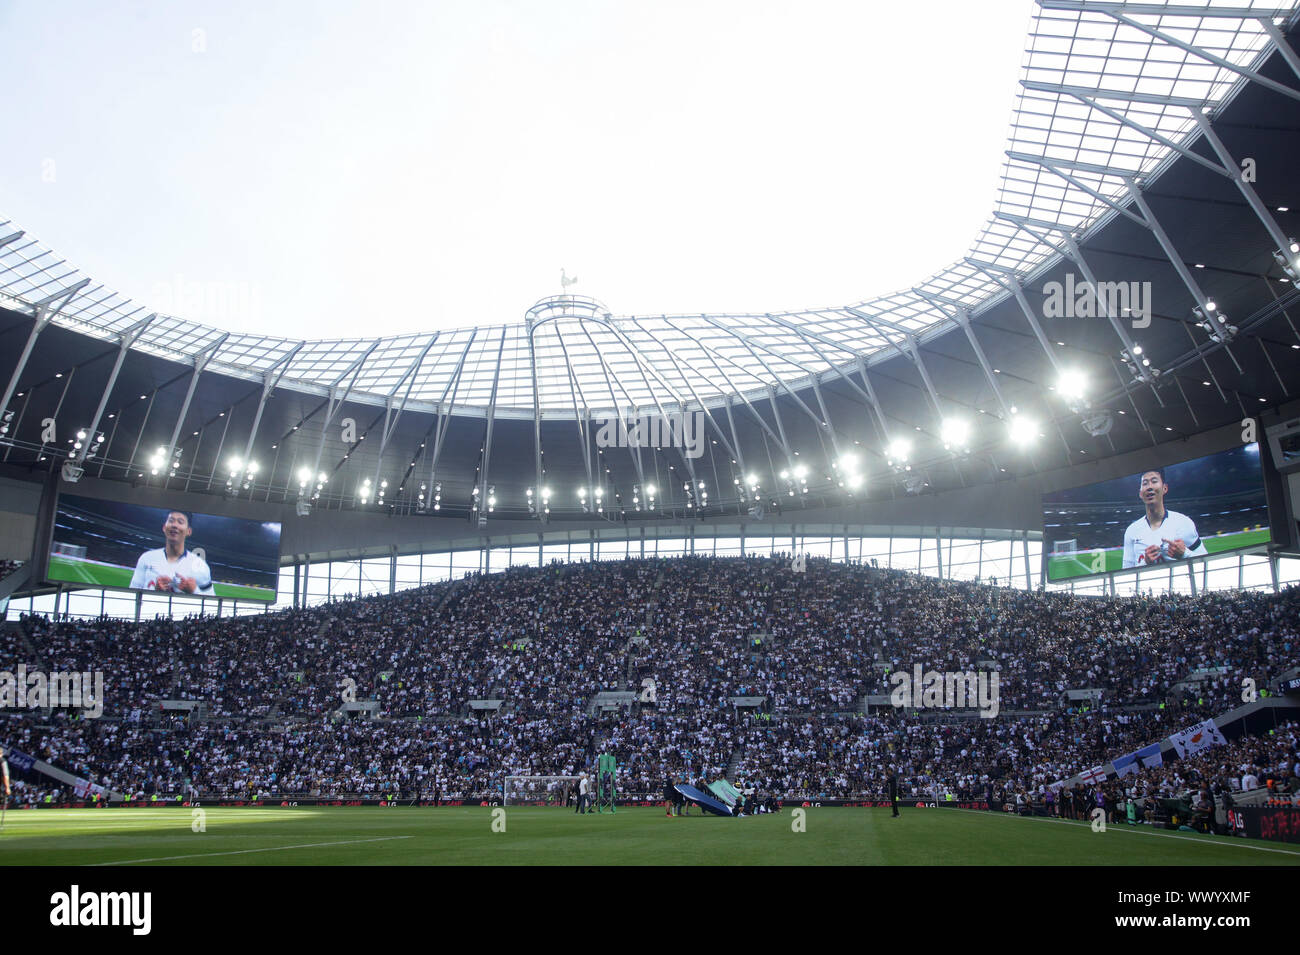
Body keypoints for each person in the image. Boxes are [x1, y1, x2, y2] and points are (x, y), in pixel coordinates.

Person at [1121, 469, 1209, 568]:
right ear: (1140, 493)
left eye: (1154, 481)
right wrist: (1145, 563)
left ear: (1165, 488)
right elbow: (1126, 571)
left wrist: (1185, 554)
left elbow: (1205, 563)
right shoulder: (1131, 531)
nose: (1149, 487)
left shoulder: (1183, 522)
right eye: (1145, 483)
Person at [128, 509, 215, 595]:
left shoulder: (200, 565)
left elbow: (212, 602)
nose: (174, 525)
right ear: (164, 527)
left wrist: (194, 591)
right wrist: (155, 591)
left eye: (180, 522)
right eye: (171, 521)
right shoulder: (147, 558)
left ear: (189, 531)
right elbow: (132, 595)